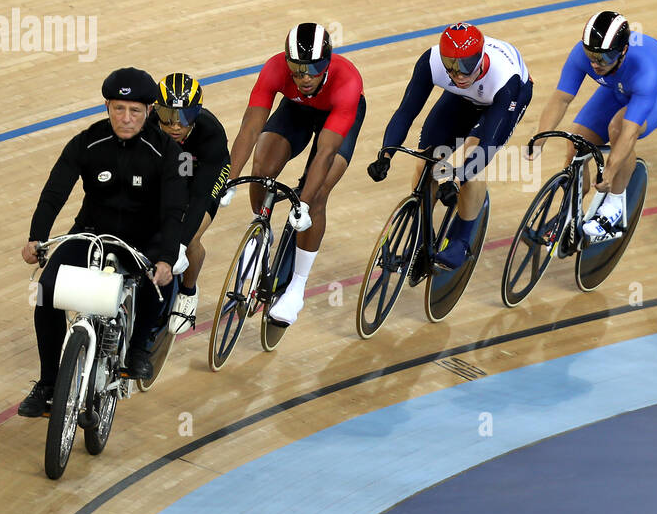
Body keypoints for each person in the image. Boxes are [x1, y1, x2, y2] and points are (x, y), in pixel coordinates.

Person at [18, 68, 186, 417]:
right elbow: (54, 191)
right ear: (107, 106)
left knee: (155, 282)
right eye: (118, 109)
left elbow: (174, 210)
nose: (126, 118)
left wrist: (166, 257)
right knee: (46, 291)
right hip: (92, 234)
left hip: (144, 239)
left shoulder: (166, 152)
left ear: (149, 111)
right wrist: (38, 237)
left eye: (135, 111)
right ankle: (49, 384)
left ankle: (139, 348)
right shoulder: (87, 142)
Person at [225, 23, 364, 324]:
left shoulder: (347, 81)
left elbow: (325, 152)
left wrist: (303, 202)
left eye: (312, 69)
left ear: (326, 63)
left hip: (337, 117)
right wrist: (229, 179)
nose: (303, 77)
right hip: (297, 111)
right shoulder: (275, 69)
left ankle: (297, 286)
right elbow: (249, 128)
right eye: (296, 69)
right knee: (262, 166)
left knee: (317, 195)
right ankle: (260, 229)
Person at [368, 22, 533, 268]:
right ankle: (421, 235)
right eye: (452, 68)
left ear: (480, 58)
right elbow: (406, 112)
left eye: (465, 67)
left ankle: (461, 242)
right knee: (426, 160)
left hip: (504, 101)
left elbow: (485, 147)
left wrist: (456, 181)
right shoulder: (432, 61)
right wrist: (386, 154)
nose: (458, 75)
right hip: (464, 98)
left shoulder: (504, 78)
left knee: (470, 156)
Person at [528, 11, 657, 241]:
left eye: (603, 59)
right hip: (618, 89)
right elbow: (561, 98)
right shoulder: (584, 55)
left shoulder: (644, 70)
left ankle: (614, 206)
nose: (595, 63)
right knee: (576, 144)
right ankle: (571, 210)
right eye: (591, 55)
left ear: (623, 52)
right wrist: (540, 138)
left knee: (618, 128)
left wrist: (610, 171)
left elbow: (629, 131)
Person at [151, 73, 231, 334]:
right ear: (156, 110)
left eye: (184, 118)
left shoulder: (210, 132)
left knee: (190, 236)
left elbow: (199, 198)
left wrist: (181, 244)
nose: (175, 125)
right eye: (167, 116)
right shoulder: (147, 126)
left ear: (196, 114)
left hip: (204, 179)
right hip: (171, 176)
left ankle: (188, 291)